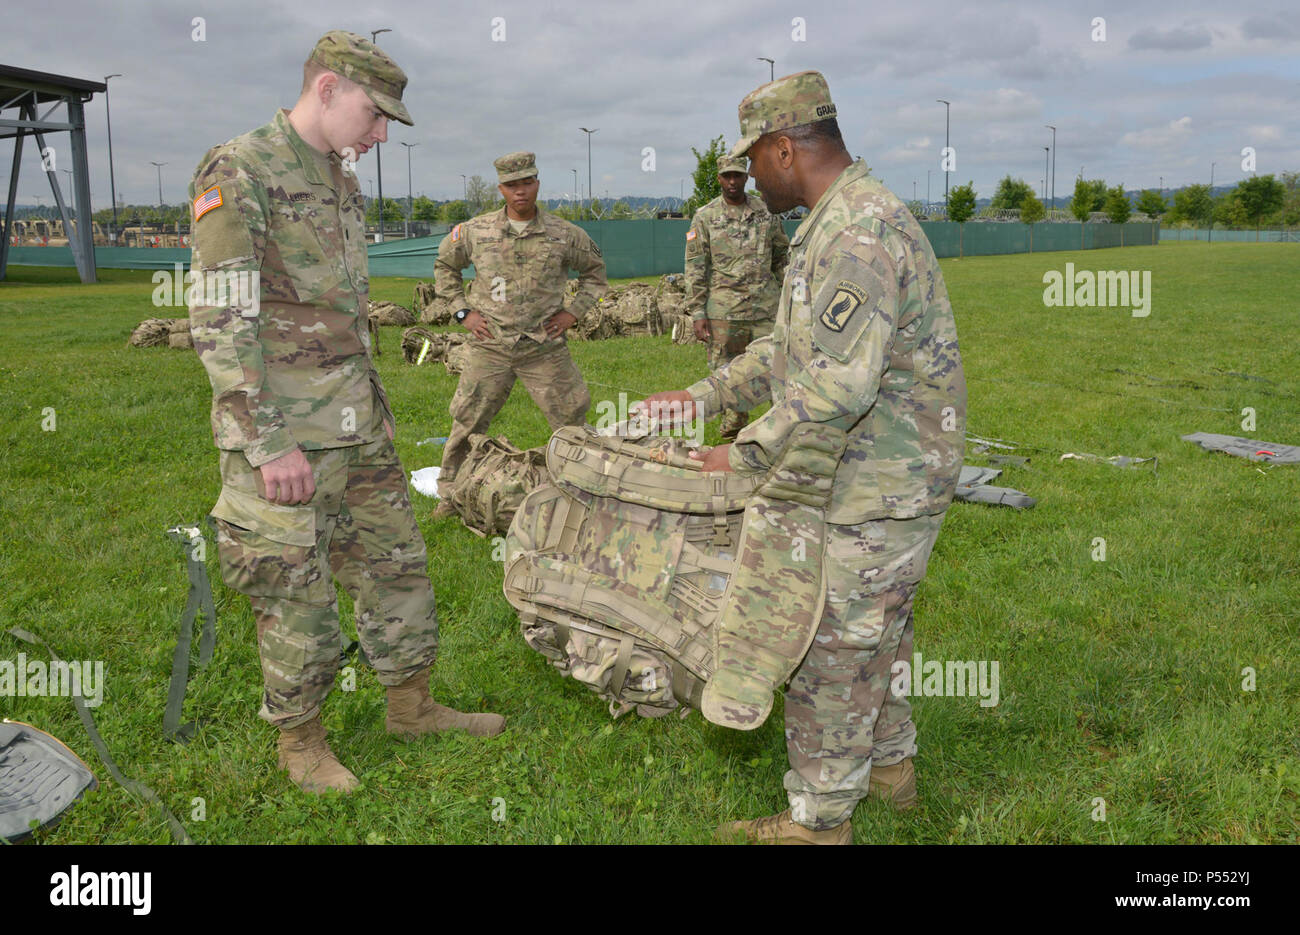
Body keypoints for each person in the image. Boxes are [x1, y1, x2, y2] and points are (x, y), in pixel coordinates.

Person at [639, 71, 966, 844]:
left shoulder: (858, 232)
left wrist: (740, 456)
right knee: (879, 628)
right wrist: (702, 398)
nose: (750, 175)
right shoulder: (832, 222)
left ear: (785, 148)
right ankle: (890, 771)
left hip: (880, 477)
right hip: (883, 471)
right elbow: (786, 354)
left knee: (833, 643)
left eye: (756, 159)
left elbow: (835, 389)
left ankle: (820, 824)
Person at [187, 30, 504, 795]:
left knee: (398, 566)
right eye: (375, 112)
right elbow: (220, 320)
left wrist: (376, 412)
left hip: (357, 426)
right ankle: (301, 742)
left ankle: (411, 704)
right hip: (288, 436)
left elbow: (344, 316)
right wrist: (267, 446)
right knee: (295, 592)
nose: (382, 132)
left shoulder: (341, 182)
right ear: (326, 89)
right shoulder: (241, 170)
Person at [431, 152, 607, 516]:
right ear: (501, 189)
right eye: (512, 185)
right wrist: (462, 311)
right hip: (490, 345)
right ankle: (450, 493)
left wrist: (573, 313)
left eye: (527, 183)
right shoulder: (475, 232)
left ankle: (586, 489)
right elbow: (445, 264)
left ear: (537, 184)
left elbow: (595, 273)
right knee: (468, 420)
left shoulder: (564, 235)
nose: (520, 191)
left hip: (542, 347)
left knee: (571, 420)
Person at [684, 154, 789, 438]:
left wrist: (791, 301)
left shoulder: (766, 212)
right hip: (724, 312)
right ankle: (733, 429)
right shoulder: (705, 217)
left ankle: (779, 430)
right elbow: (695, 268)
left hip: (765, 311)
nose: (732, 181)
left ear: (746, 177)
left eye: (738, 175)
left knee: (778, 371)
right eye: (727, 176)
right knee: (727, 375)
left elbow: (782, 258)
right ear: (719, 178)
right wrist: (697, 313)